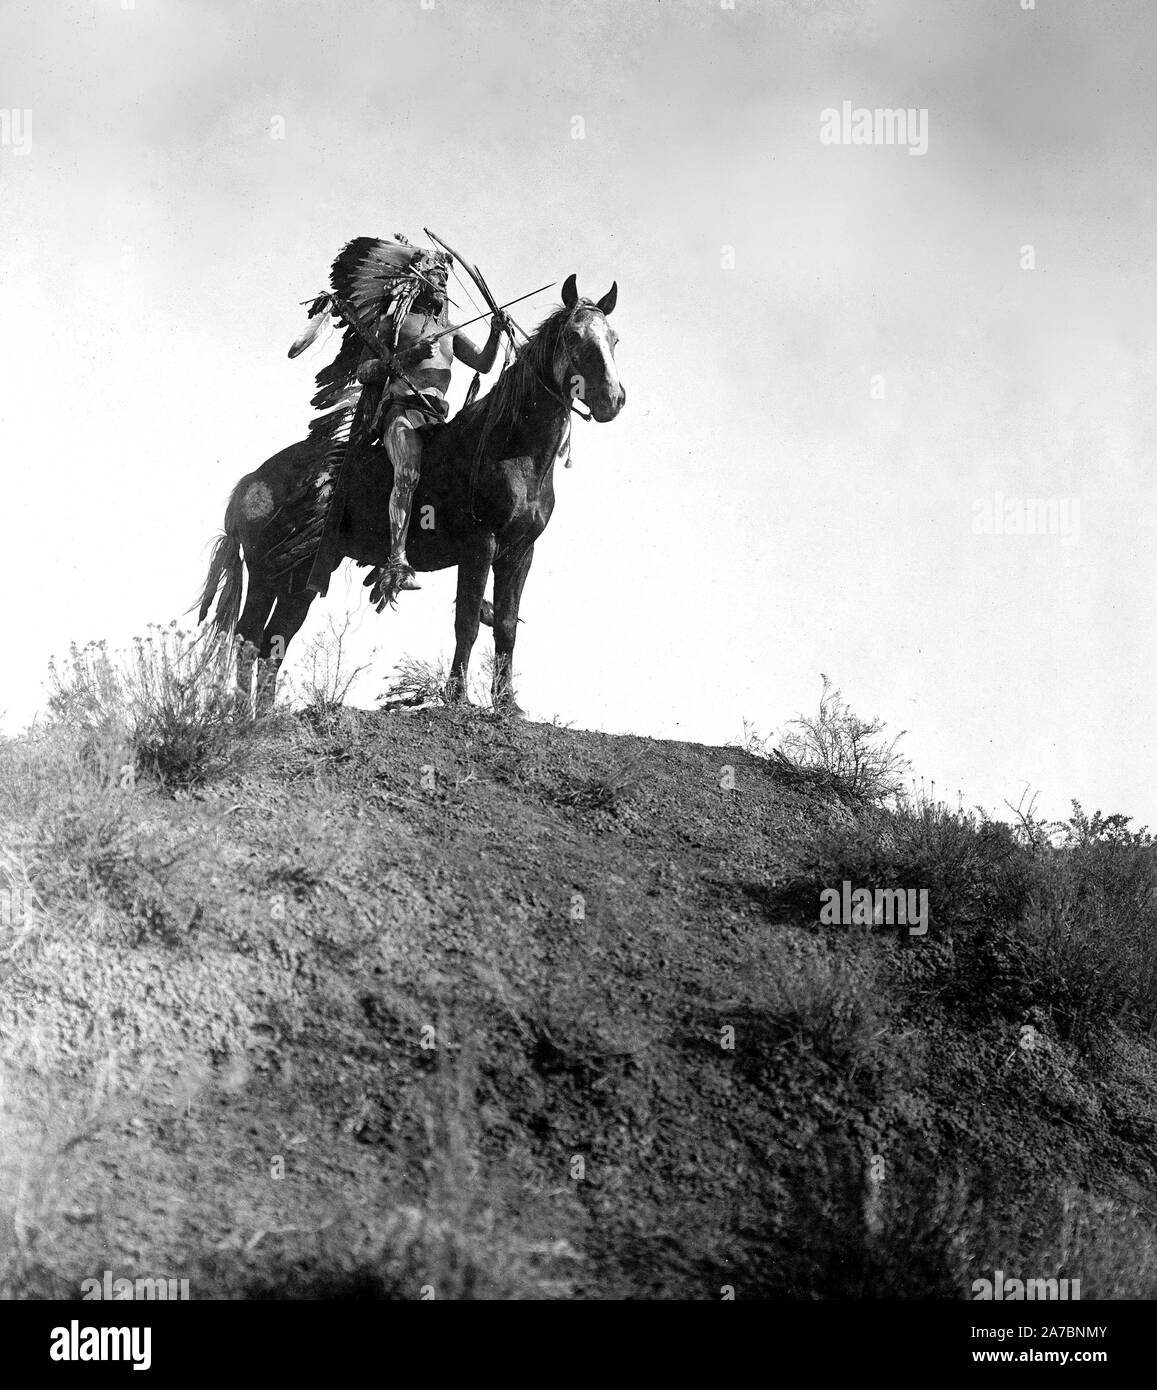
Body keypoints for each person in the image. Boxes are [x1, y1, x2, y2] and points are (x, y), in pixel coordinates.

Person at [357, 252, 513, 606]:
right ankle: (396, 561)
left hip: (436, 421)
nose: (442, 284)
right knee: (408, 471)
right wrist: (409, 356)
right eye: (435, 276)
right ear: (417, 280)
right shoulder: (395, 324)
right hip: (402, 414)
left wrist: (495, 332)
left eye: (445, 278)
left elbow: (485, 364)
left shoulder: (451, 332)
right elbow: (365, 371)